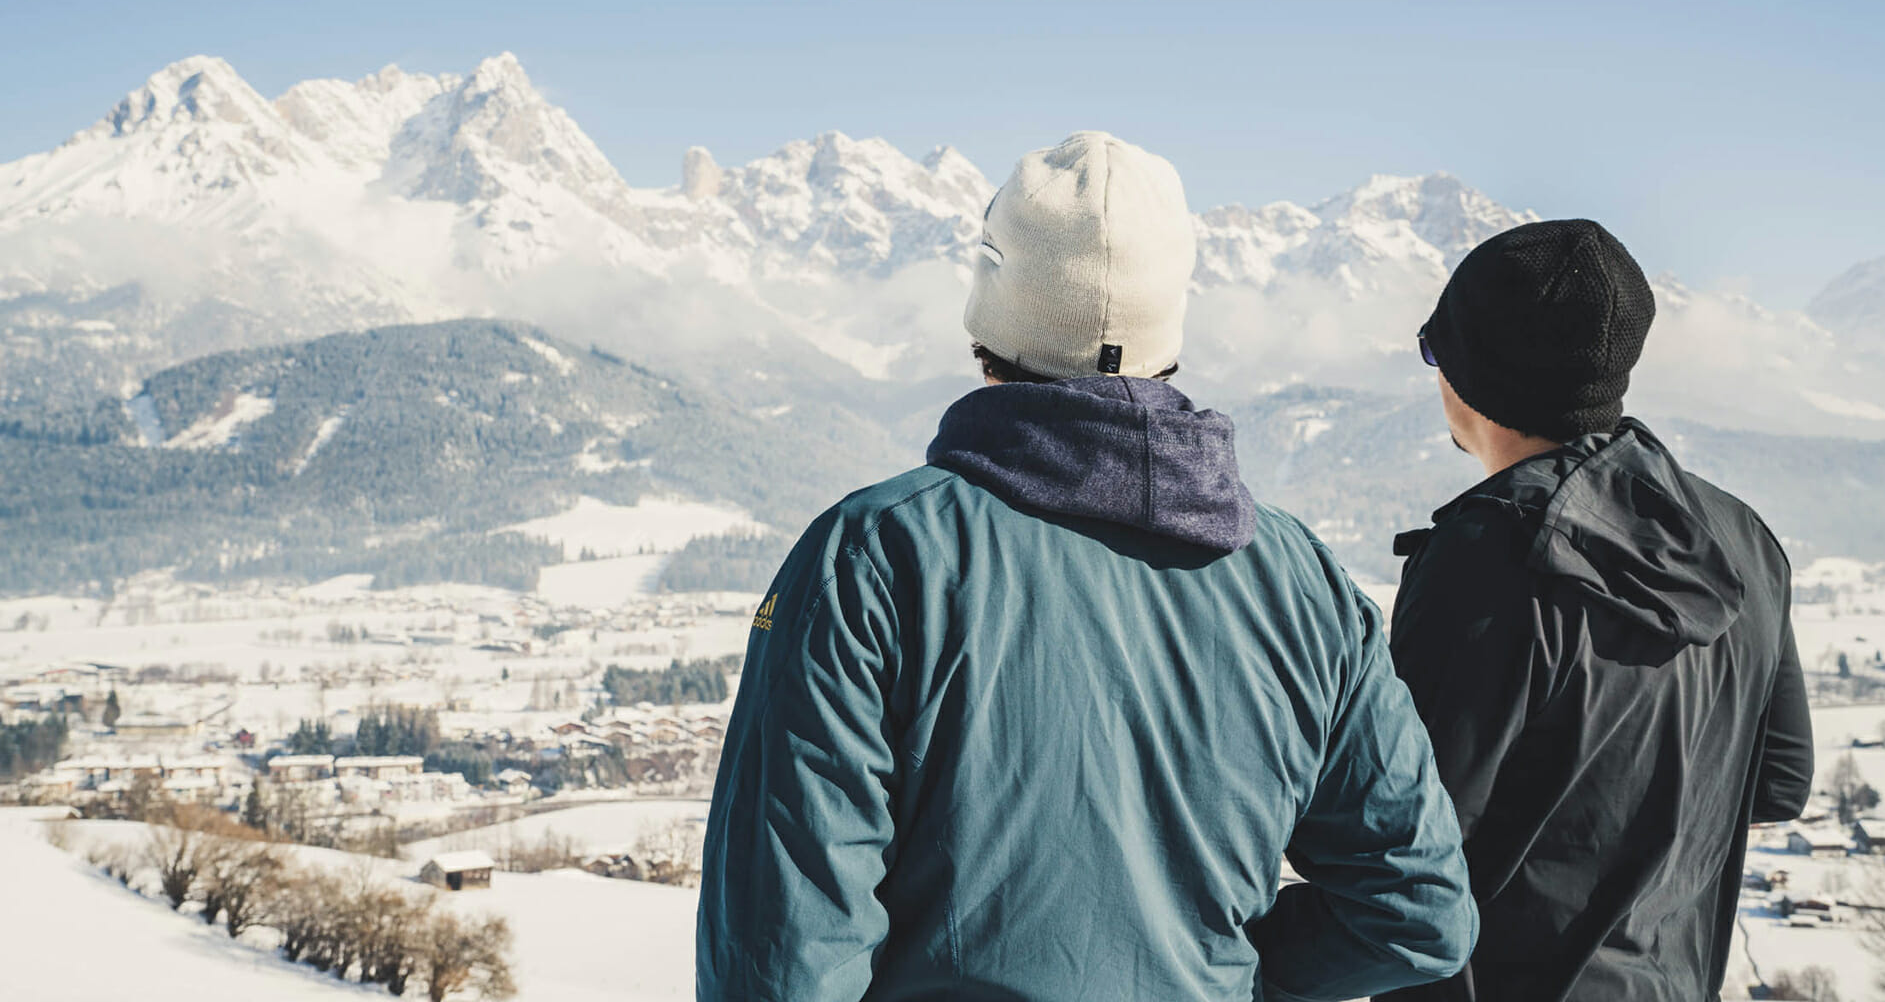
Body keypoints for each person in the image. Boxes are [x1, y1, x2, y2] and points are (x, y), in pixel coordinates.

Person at [697, 131, 1476, 1001]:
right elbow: (1417, 913)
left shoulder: (875, 558)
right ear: (1168, 323)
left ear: (989, 313)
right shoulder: (1302, 581)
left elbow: (779, 960)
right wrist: (1216, 965)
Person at [1381, 220, 1815, 1002]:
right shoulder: (1742, 538)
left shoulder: (1490, 557)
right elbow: (1777, 781)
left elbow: (1404, 830)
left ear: (1468, 375)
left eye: (1433, 351)